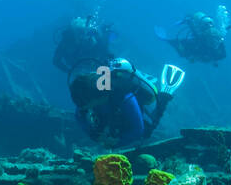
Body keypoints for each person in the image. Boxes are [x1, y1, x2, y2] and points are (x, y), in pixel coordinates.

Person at [54, 14, 185, 145]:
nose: (82, 107)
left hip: (122, 107)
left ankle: (164, 97)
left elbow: (138, 130)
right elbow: (79, 115)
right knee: (103, 124)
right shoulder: (84, 96)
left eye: (84, 105)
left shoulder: (123, 97)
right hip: (104, 102)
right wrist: (94, 135)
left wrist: (117, 143)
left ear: (94, 99)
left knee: (147, 131)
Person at [159, 10, 228, 64]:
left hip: (200, 47)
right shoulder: (213, 40)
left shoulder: (209, 39)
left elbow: (186, 51)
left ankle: (187, 20)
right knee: (183, 47)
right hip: (201, 46)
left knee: (182, 48)